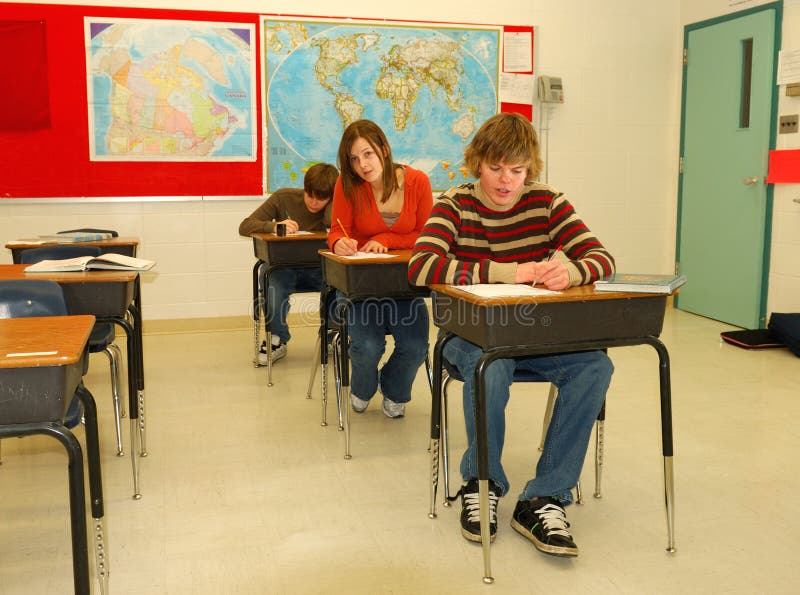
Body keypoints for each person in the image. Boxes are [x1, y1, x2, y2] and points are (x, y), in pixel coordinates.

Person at [408, 113, 615, 557]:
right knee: (492, 364)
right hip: (468, 335)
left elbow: (601, 257)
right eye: (495, 168)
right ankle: (482, 482)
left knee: (595, 365)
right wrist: (507, 271)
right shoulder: (455, 204)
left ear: (530, 169)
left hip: (534, 332)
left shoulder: (547, 201)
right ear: (477, 163)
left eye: (517, 171)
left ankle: (544, 497)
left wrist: (572, 270)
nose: (506, 181)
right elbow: (421, 265)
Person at [327, 119, 432, 418]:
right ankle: (363, 385)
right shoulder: (346, 185)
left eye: (368, 154)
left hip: (402, 285)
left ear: (384, 149)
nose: (362, 164)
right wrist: (339, 244)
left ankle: (393, 386)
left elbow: (427, 235)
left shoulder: (417, 182)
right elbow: (336, 231)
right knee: (367, 347)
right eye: (354, 159)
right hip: (360, 286)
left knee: (415, 346)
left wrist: (384, 238)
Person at [239, 162, 338, 365]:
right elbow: (245, 226)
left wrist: (332, 204)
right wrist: (274, 226)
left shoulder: (335, 207)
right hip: (283, 266)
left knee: (340, 280)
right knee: (270, 282)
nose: (314, 202)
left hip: (319, 268)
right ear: (305, 187)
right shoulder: (284, 197)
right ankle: (277, 339)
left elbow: (331, 223)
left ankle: (331, 334)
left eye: (322, 199)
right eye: (310, 195)